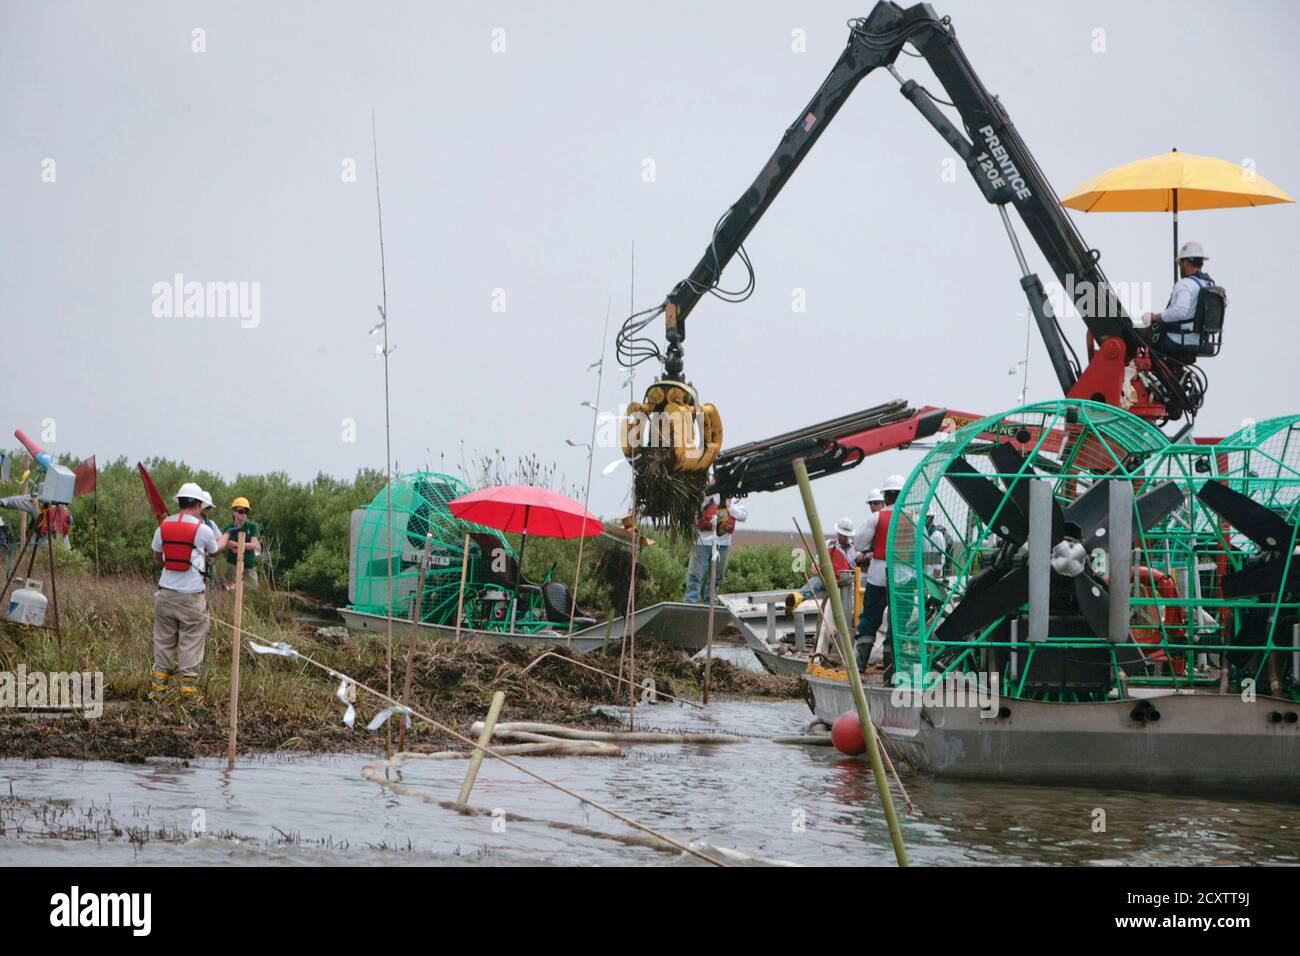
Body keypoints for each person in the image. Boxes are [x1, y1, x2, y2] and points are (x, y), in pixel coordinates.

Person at [150, 483, 225, 702]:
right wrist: (226, 539)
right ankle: (188, 693)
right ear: (199, 504)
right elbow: (214, 551)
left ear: (180, 502)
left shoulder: (163, 526)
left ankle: (158, 691)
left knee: (163, 642)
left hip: (165, 595)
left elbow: (157, 556)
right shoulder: (203, 530)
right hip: (191, 598)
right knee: (191, 641)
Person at [853, 473, 905, 677]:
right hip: (904, 577)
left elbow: (859, 543)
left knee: (869, 619)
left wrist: (873, 547)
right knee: (897, 624)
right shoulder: (913, 518)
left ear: (886, 496)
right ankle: (891, 671)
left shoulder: (877, 518)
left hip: (877, 576)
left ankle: (859, 665)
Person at [1141, 241, 1220, 359]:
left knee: (1137, 336)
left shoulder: (1184, 284)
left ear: (1186, 262)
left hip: (1178, 340)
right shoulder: (1208, 284)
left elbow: (1179, 311)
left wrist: (1154, 317)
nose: (1180, 267)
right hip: (1200, 341)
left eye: (1180, 263)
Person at [683, 492, 748, 604]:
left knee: (716, 578)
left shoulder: (733, 496)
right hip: (702, 542)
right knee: (695, 576)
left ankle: (711, 604)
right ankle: (690, 604)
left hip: (723, 543)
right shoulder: (704, 492)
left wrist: (729, 507)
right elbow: (694, 508)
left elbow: (743, 515)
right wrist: (706, 497)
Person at [785, 517, 858, 613]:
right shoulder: (828, 544)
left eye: (845, 536)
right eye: (841, 535)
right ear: (837, 533)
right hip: (824, 580)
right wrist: (815, 566)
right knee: (815, 582)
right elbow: (817, 562)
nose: (843, 538)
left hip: (842, 585)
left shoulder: (854, 550)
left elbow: (856, 572)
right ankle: (795, 599)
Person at [221, 496, 261, 591]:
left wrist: (236, 544)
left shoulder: (252, 526)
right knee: (231, 591)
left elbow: (254, 545)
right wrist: (247, 545)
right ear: (234, 512)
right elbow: (233, 550)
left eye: (246, 512)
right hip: (233, 565)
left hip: (249, 565)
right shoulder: (228, 528)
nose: (244, 514)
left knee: (253, 591)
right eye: (241, 511)